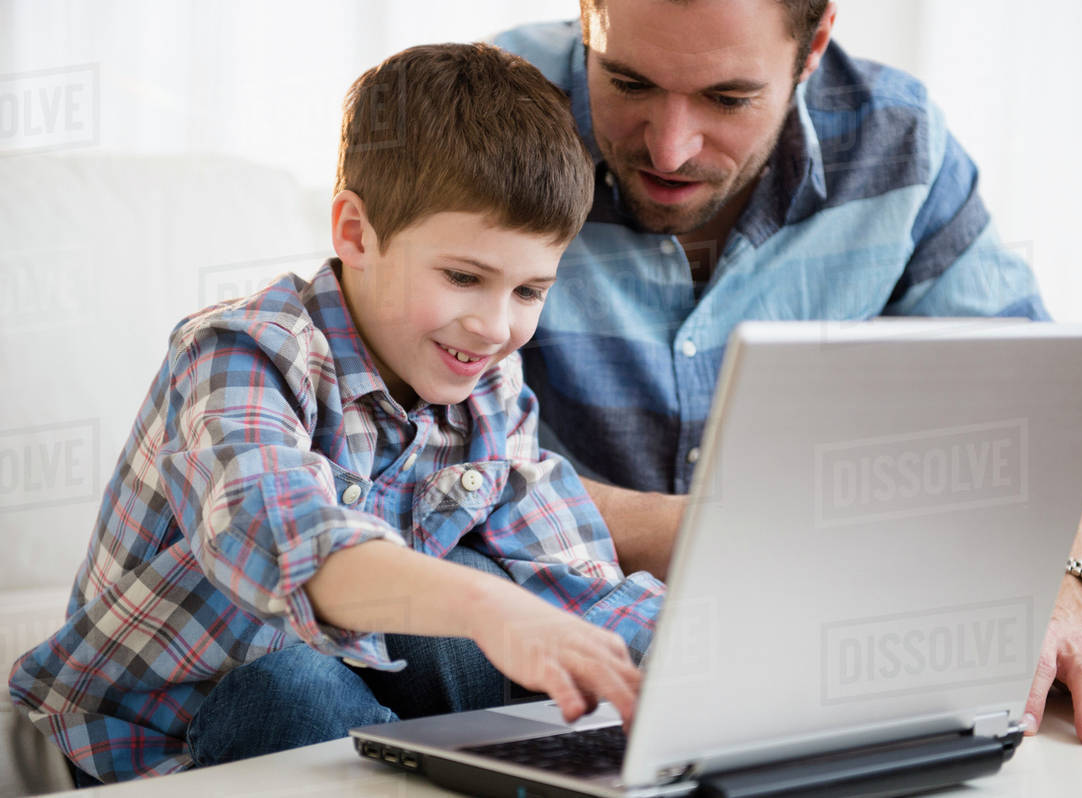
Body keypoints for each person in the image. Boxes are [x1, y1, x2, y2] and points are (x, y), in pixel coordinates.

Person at [493, 0, 1082, 746]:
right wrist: (709, 535)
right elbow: (429, 459)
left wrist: (1072, 592)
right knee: (437, 637)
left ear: (814, 44)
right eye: (629, 83)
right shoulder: (491, 114)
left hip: (852, 579)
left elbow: (1075, 418)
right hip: (564, 569)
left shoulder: (895, 139)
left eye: (728, 99)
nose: (669, 150)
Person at [7, 43, 663, 785]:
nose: (494, 327)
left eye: (529, 292)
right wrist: (486, 606)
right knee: (306, 683)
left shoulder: (487, 385)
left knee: (494, 599)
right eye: (463, 277)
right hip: (170, 729)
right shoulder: (241, 352)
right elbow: (286, 538)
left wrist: (701, 662)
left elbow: (572, 573)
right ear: (355, 232)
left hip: (355, 674)